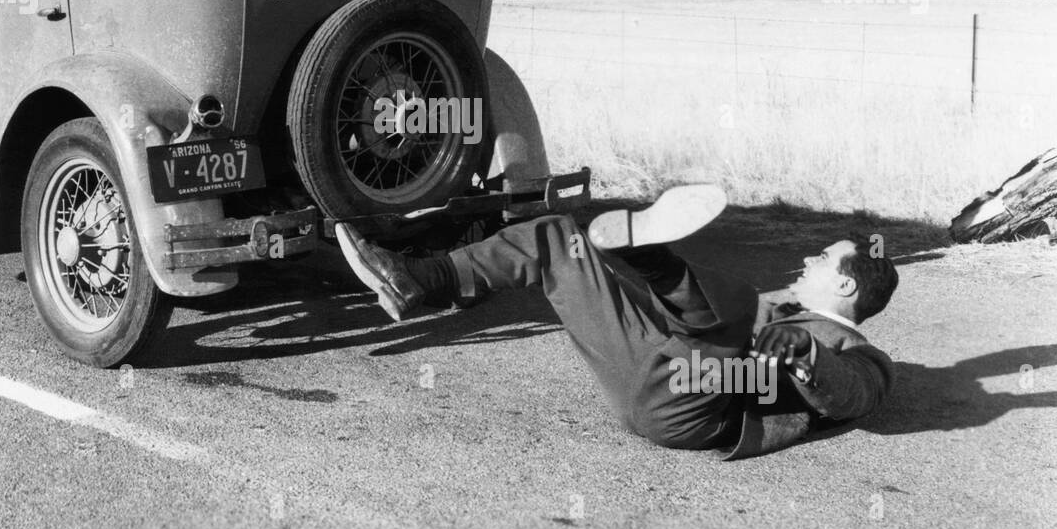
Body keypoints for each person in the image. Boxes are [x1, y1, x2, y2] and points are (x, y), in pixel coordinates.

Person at [336, 185, 899, 459]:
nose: (806, 261)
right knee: (560, 239)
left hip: (700, 402)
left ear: (846, 286)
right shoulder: (776, 307)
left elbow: (852, 396)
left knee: (733, 304)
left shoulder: (865, 357)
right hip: (648, 358)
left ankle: (653, 254)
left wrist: (803, 348)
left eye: (822, 260)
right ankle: (419, 280)